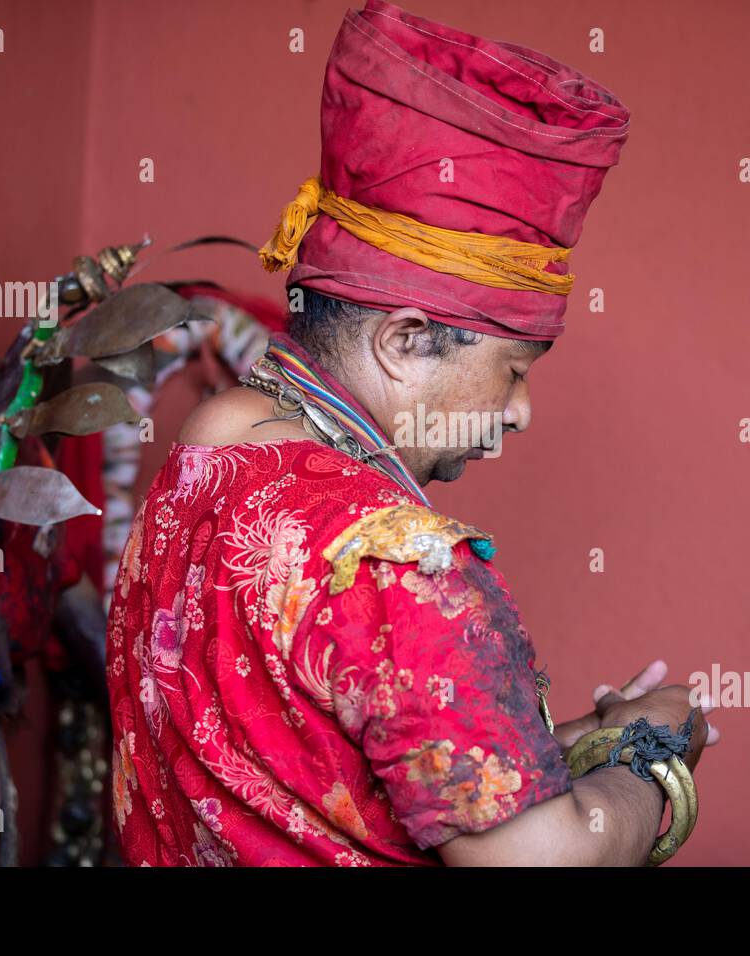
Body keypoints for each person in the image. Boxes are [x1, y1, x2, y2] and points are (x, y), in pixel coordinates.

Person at [105, 0, 715, 867]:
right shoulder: (401, 559)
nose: (521, 410)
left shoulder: (217, 443)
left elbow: (337, 759)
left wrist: (589, 735)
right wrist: (653, 755)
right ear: (406, 340)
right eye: (515, 368)